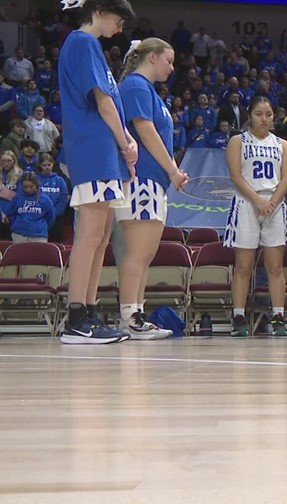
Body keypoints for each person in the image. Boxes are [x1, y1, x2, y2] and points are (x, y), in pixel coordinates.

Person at [58, 0, 138, 344]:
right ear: (100, 10)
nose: (120, 28)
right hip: (92, 149)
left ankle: (89, 312)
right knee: (90, 235)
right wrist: (125, 142)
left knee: (101, 236)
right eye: (119, 20)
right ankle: (77, 318)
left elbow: (110, 103)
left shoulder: (89, 46)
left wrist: (124, 141)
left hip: (102, 150)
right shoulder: (82, 42)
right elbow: (103, 103)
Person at [114, 37, 188, 341]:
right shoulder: (136, 86)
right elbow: (145, 131)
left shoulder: (148, 91)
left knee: (144, 255)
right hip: (140, 178)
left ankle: (136, 315)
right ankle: (129, 317)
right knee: (136, 253)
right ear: (153, 57)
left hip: (153, 180)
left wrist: (172, 171)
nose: (172, 67)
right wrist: (172, 170)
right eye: (169, 61)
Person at [223, 95, 287, 337]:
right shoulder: (238, 141)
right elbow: (235, 176)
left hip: (274, 203)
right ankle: (238, 317)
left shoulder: (282, 145)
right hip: (247, 202)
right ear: (250, 115)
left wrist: (272, 201)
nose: (264, 119)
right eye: (259, 114)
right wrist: (257, 200)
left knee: (275, 266)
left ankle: (278, 317)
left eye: (268, 114)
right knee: (243, 265)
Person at [0, 174, 55, 242]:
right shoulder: (17, 198)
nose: (28, 189)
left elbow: (51, 217)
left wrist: (41, 228)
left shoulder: (45, 199)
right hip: (19, 234)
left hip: (39, 235)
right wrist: (17, 225)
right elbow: (11, 214)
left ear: (36, 185)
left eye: (31, 187)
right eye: (25, 187)